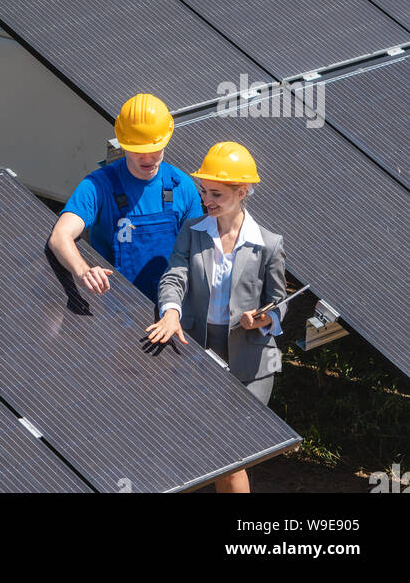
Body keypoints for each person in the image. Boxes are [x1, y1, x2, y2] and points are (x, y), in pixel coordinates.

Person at [145, 141, 287, 494]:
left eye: (217, 194)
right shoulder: (192, 231)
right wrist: (171, 312)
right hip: (197, 350)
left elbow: (279, 301)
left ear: (242, 192)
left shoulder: (267, 244)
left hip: (250, 361)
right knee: (202, 451)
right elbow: (175, 275)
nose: (207, 199)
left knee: (230, 455)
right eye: (204, 191)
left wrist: (265, 319)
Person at [48, 93, 202, 301]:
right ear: (123, 143)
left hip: (171, 309)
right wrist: (84, 271)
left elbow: (197, 250)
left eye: (154, 149)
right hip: (116, 311)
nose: (147, 158)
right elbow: (60, 236)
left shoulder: (181, 185)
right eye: (138, 150)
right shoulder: (98, 186)